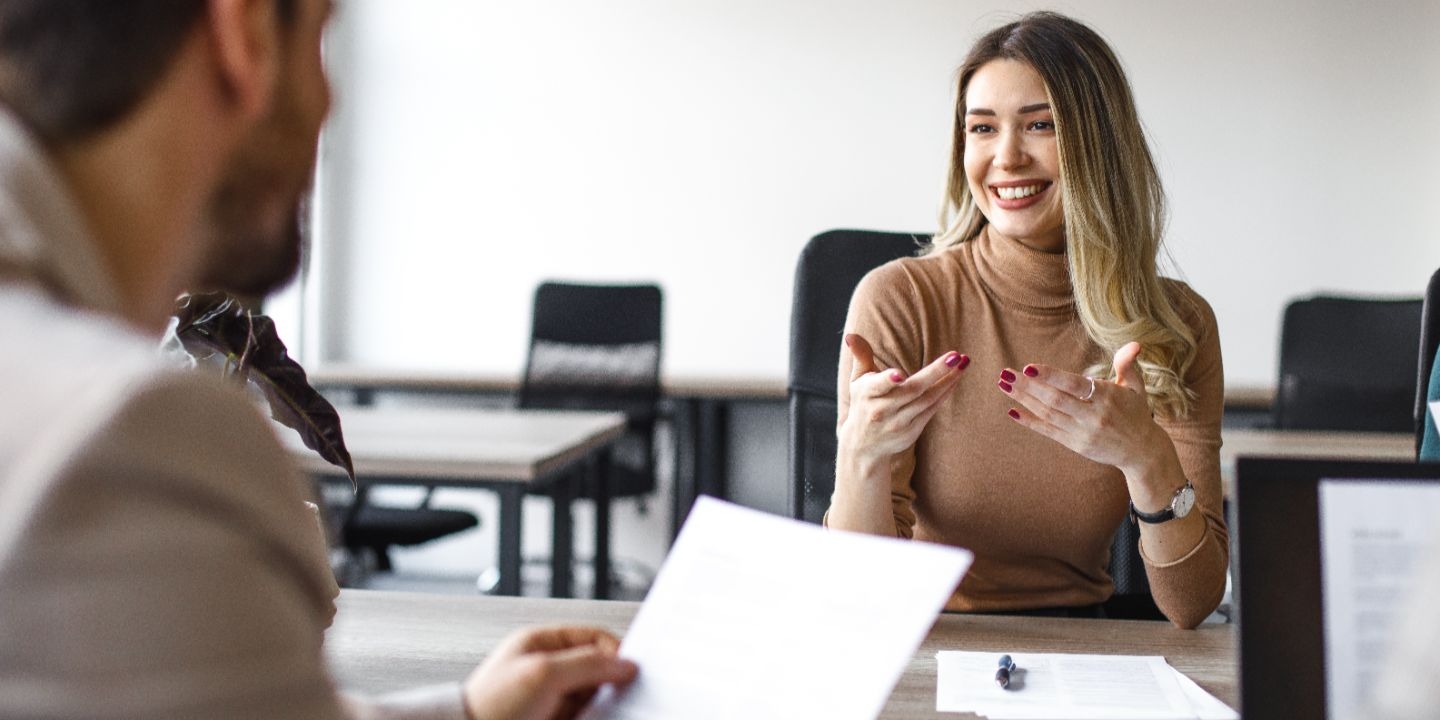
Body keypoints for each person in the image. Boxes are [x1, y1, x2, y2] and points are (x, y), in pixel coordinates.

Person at [0, 1, 635, 718]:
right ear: (246, 35)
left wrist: (468, 712)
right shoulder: (128, 439)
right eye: (320, 40)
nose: (330, 102)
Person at [827, 11, 1227, 629]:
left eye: (1040, 125)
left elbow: (1193, 604)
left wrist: (1147, 458)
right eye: (982, 128)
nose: (1006, 157)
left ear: (1099, 143)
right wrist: (862, 455)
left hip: (1083, 649)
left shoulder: (1176, 324)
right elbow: (859, 597)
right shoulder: (901, 298)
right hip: (926, 639)